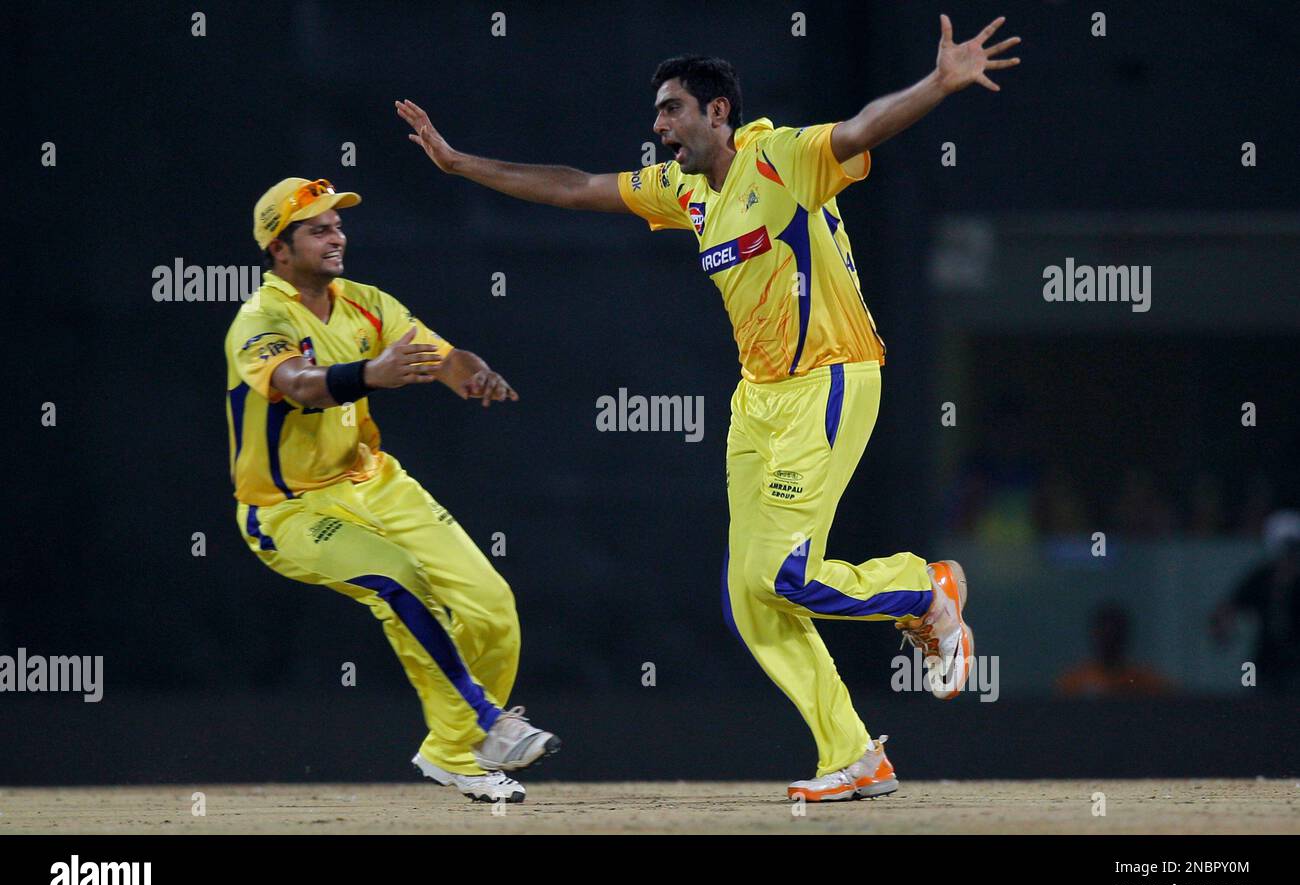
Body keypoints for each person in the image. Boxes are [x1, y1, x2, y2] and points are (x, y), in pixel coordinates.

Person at [396, 14, 1019, 802]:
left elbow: (862, 128)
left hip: (829, 379)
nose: (658, 128)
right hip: (756, 400)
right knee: (750, 597)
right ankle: (856, 754)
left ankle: (928, 591)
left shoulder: (781, 157)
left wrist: (937, 82)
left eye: (671, 110)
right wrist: (459, 164)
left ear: (717, 111)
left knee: (786, 574)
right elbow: (579, 187)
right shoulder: (686, 191)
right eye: (657, 114)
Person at [225, 177, 559, 803]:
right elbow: (298, 385)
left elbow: (440, 354)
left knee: (493, 606)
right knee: (397, 579)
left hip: (376, 480)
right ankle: (490, 724)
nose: (337, 235)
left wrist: (471, 372)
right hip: (288, 508)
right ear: (279, 248)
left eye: (337, 224)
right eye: (318, 228)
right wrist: (372, 375)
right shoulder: (261, 318)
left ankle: (450, 753)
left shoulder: (365, 304)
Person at [1210, 510, 1300, 695]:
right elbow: (1228, 608)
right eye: (1285, 549)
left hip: (1294, 664)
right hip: (1263, 661)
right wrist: (1222, 627)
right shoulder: (1261, 578)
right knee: (1252, 695)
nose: (1288, 557)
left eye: (1293, 549)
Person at [1056, 603, 1174, 698]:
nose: (1109, 642)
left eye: (1114, 636)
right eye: (1104, 635)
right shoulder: (1073, 683)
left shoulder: (1147, 682)